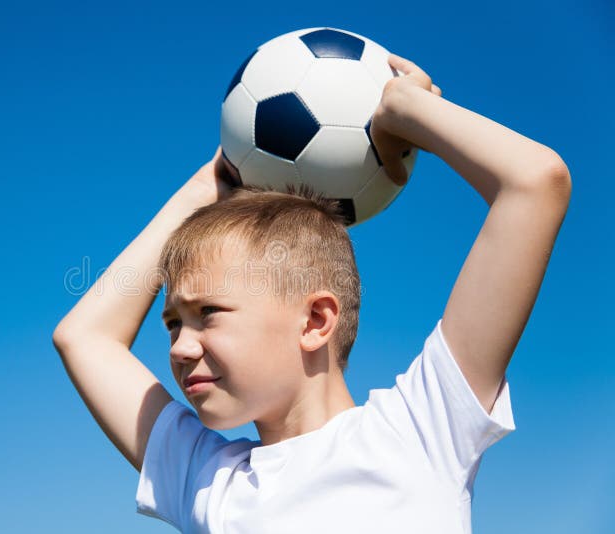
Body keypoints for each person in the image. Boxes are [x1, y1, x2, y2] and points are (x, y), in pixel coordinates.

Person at [52, 54, 571, 533]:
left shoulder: (421, 430)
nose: (180, 349)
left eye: (208, 313)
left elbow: (534, 180)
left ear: (316, 321)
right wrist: (209, 186)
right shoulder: (209, 482)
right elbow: (83, 336)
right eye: (172, 324)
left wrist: (406, 108)